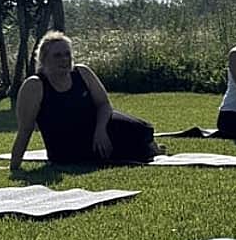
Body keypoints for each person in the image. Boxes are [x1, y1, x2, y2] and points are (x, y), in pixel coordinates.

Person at [9, 31, 160, 170]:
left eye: (67, 54)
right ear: (44, 59)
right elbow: (25, 129)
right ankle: (148, 148)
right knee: (126, 148)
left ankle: (152, 148)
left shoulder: (82, 72)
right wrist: (15, 166)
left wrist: (101, 131)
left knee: (139, 129)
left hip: (97, 130)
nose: (64, 59)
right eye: (57, 55)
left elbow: (104, 104)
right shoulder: (34, 85)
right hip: (67, 147)